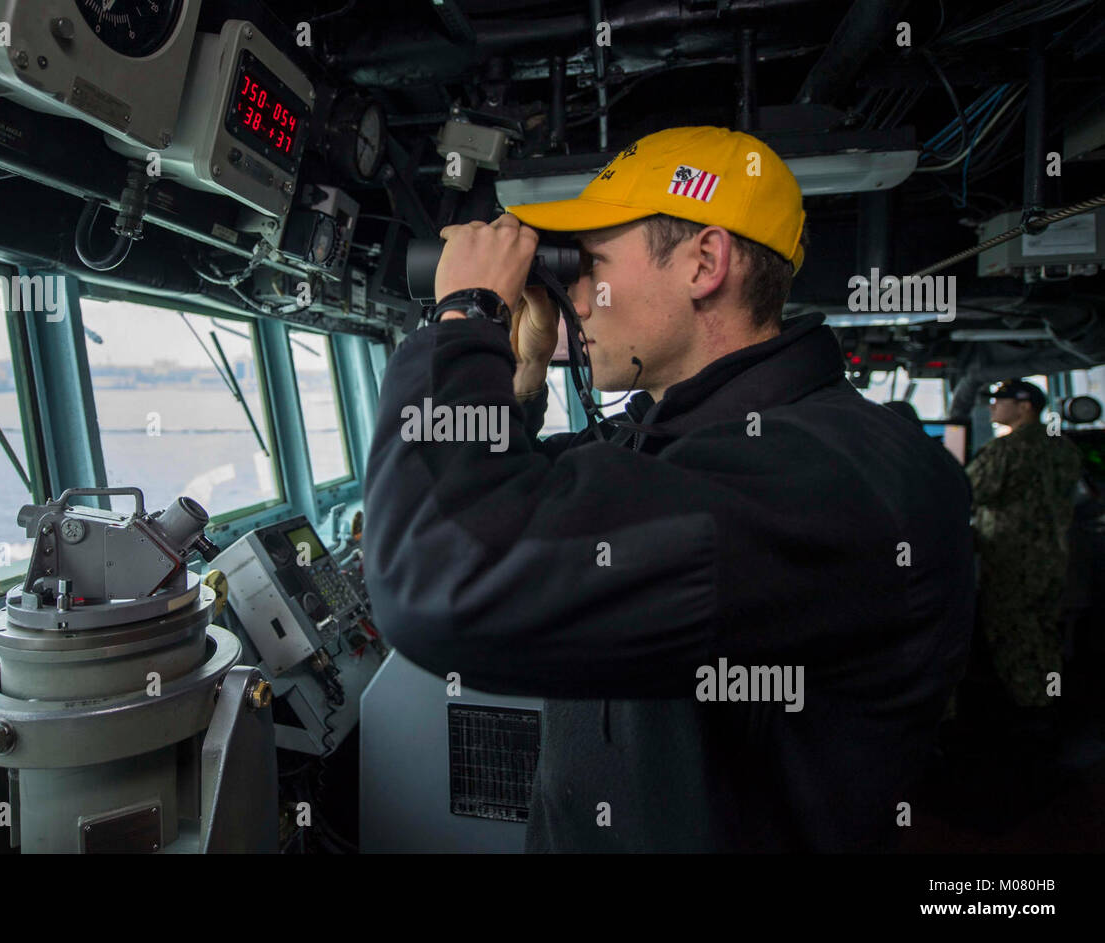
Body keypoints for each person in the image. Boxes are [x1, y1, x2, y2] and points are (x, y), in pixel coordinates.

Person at [362, 126, 974, 852]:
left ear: (703, 262)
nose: (577, 298)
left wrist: (465, 316)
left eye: (589, 264)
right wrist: (518, 376)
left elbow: (443, 570)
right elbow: (531, 498)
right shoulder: (675, 438)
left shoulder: (833, 472)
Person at [965, 379, 1082, 713]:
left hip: (1011, 561)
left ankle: (1035, 709)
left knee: (1013, 633)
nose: (993, 406)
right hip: (1054, 558)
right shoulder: (1064, 448)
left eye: (1000, 400)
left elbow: (969, 492)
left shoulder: (1005, 450)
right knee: (1045, 630)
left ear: (1025, 406)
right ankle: (1054, 697)